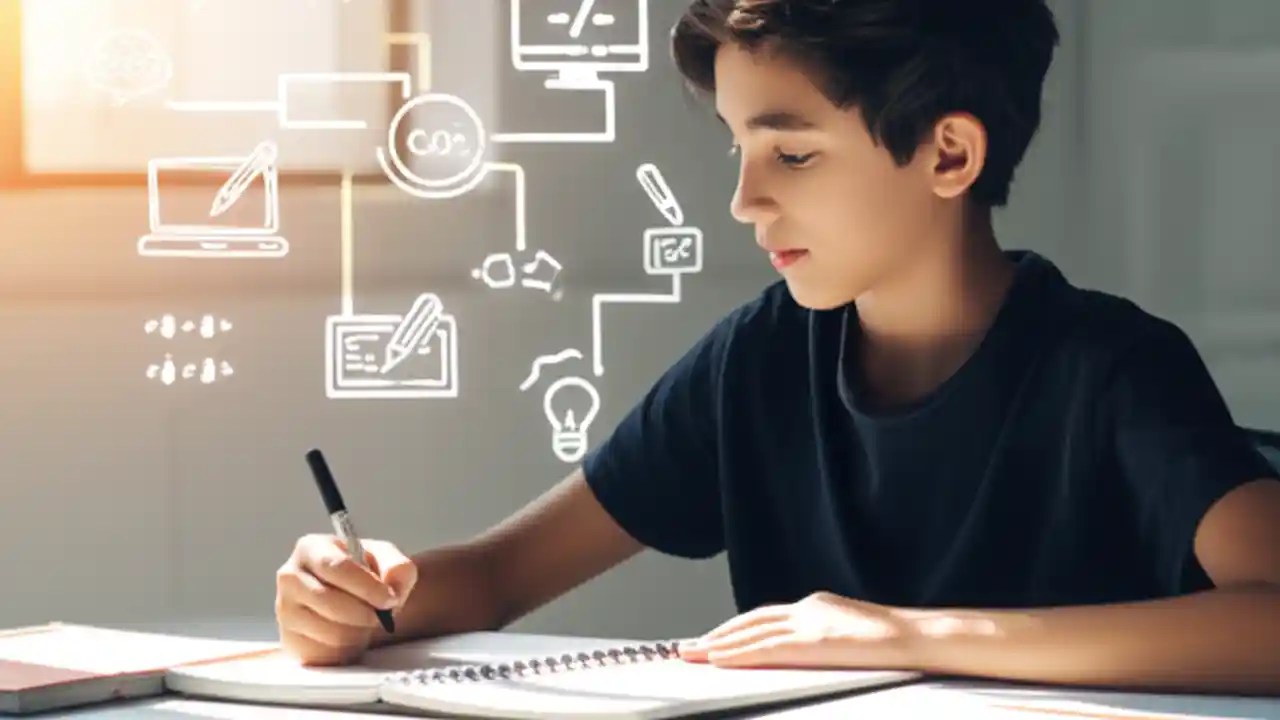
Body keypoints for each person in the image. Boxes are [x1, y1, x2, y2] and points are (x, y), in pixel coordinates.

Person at [275, 0, 1280, 694]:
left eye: (791, 153)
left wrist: (906, 637)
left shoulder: (1109, 369)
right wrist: (365, 595)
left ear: (948, 153)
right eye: (739, 148)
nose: (744, 200)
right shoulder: (759, 360)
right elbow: (498, 576)